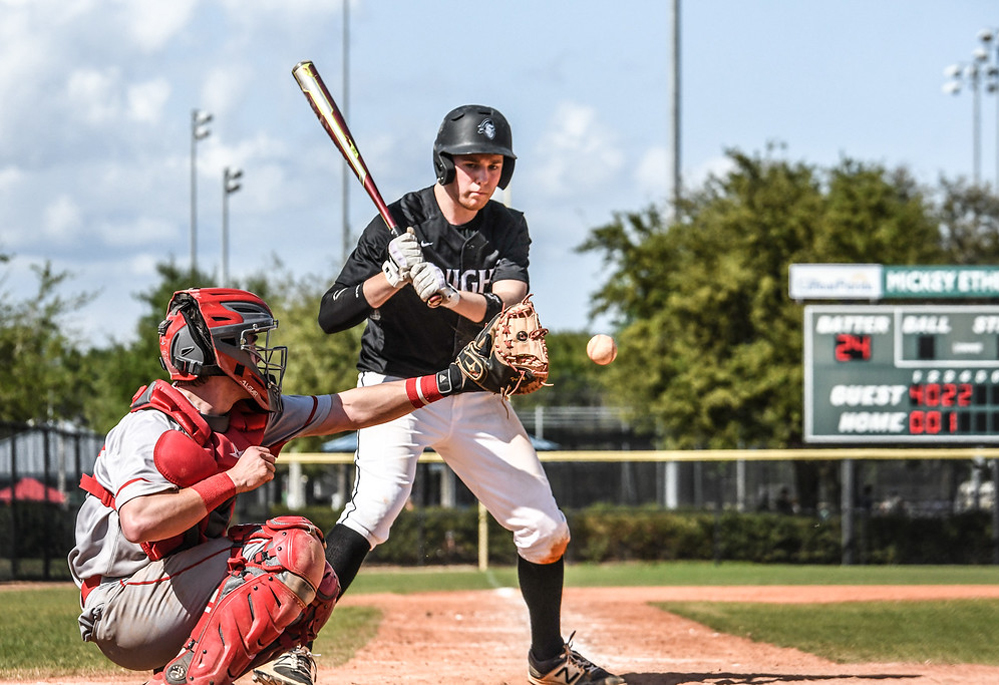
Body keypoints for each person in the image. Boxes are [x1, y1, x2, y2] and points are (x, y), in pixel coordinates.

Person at [307, 104, 625, 685]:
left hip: (472, 388)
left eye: (494, 166)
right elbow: (331, 315)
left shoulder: (507, 226)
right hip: (397, 388)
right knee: (374, 510)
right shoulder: (398, 221)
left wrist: (450, 295)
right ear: (444, 164)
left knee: (546, 529)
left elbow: (509, 301)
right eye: (471, 164)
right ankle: (289, 648)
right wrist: (390, 278)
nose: (483, 177)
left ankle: (549, 660)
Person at [67, 287, 489, 685]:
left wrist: (449, 381)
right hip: (120, 606)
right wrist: (233, 480)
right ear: (219, 350)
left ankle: (250, 664)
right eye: (249, 342)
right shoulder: (150, 426)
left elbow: (349, 408)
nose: (258, 354)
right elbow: (139, 523)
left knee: (317, 567)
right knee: (290, 549)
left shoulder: (245, 415)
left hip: (170, 592)